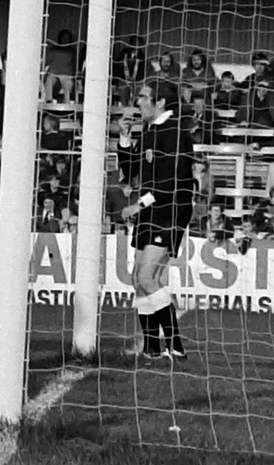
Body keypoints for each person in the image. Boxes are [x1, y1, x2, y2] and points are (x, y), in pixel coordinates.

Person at [120, 80, 209, 360]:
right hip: (151, 209)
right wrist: (124, 139)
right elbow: (130, 170)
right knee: (139, 279)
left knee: (147, 276)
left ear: (159, 102)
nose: (138, 102)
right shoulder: (149, 130)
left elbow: (173, 180)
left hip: (170, 209)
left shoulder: (176, 134)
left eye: (143, 97)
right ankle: (151, 348)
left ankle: (175, 345)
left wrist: (139, 204)